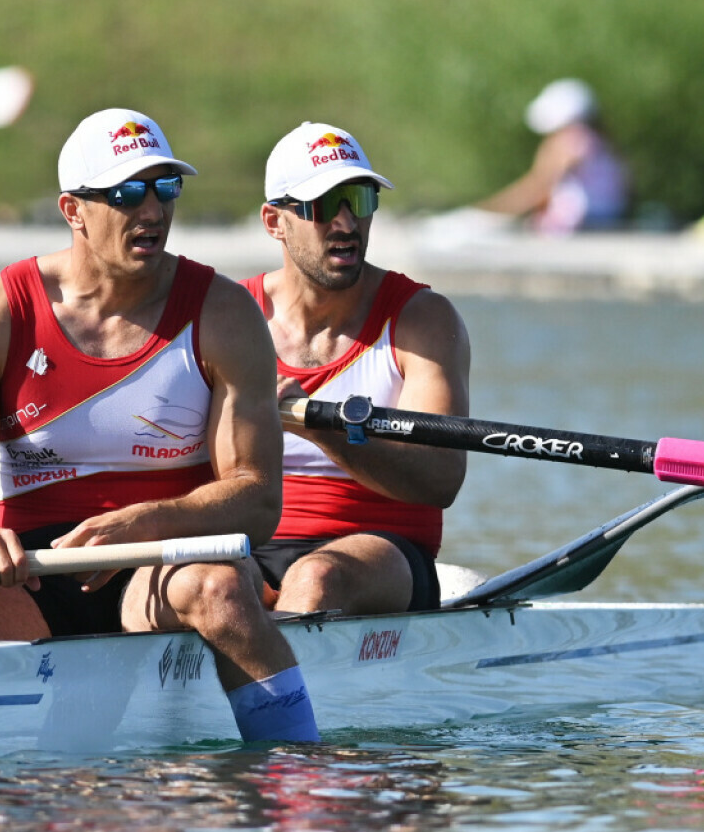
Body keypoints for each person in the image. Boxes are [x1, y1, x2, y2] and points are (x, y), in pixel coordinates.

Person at [0, 108, 320, 743]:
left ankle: (294, 768)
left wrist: (143, 522)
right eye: (127, 193)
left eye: (166, 187)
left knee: (220, 591)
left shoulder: (223, 314)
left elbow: (257, 500)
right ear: (73, 211)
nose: (152, 209)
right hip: (33, 575)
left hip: (161, 568)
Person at [247, 122, 471, 615]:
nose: (347, 223)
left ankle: (269, 652)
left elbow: (441, 477)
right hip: (249, 546)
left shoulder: (421, 321)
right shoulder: (232, 317)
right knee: (185, 586)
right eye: (325, 204)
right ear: (274, 221)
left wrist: (317, 425)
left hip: (379, 551)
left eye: (359, 199)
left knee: (316, 579)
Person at [478, 78, 628, 235]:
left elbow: (539, 186)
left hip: (581, 223)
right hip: (609, 219)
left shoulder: (570, 140)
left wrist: (488, 213)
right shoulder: (602, 142)